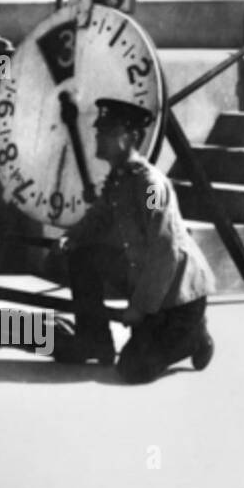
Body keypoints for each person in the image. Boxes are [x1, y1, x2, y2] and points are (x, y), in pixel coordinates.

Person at [54, 98, 215, 382]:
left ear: (132, 137)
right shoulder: (120, 178)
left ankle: (194, 337)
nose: (98, 136)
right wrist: (71, 237)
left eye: (107, 131)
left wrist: (139, 307)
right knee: (83, 255)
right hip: (151, 284)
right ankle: (95, 340)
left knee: (132, 369)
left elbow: (165, 252)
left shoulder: (150, 186)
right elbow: (99, 216)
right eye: (99, 131)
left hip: (179, 299)